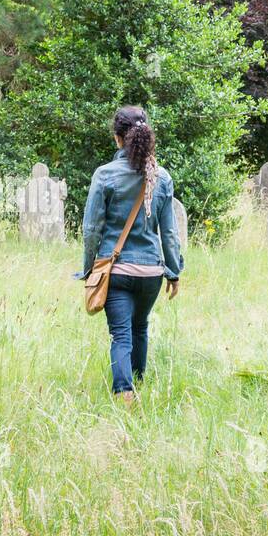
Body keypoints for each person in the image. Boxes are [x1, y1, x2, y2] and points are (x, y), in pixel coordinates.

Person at [79, 106, 183, 406]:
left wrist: (89, 269)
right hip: (151, 272)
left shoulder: (105, 175)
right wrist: (173, 272)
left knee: (121, 334)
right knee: (141, 327)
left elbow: (91, 229)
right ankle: (138, 382)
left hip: (118, 271)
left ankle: (124, 392)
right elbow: (170, 233)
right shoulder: (162, 177)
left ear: (117, 138)